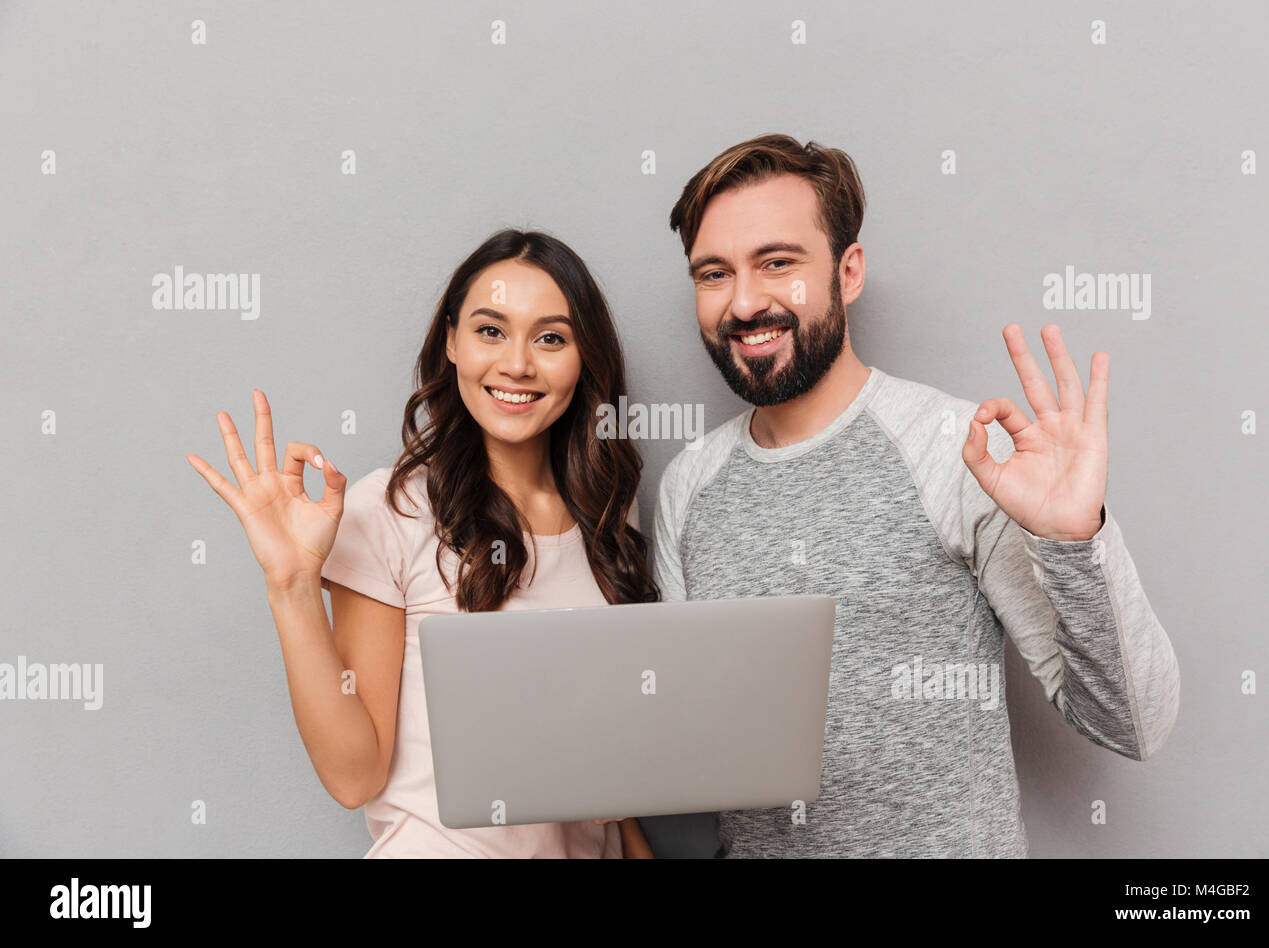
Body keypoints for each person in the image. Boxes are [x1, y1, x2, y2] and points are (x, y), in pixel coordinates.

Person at [649, 134, 1180, 857]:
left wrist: (1074, 542)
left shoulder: (958, 448)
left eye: (778, 263)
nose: (745, 301)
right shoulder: (689, 485)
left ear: (849, 270)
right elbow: (696, 753)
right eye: (714, 274)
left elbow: (1135, 722)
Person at [186, 229, 657, 858]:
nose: (517, 363)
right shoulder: (392, 509)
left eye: (550, 337)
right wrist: (292, 585)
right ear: (452, 343)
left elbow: (610, 789)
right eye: (491, 330)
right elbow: (355, 777)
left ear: (583, 356)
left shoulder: (606, 514)